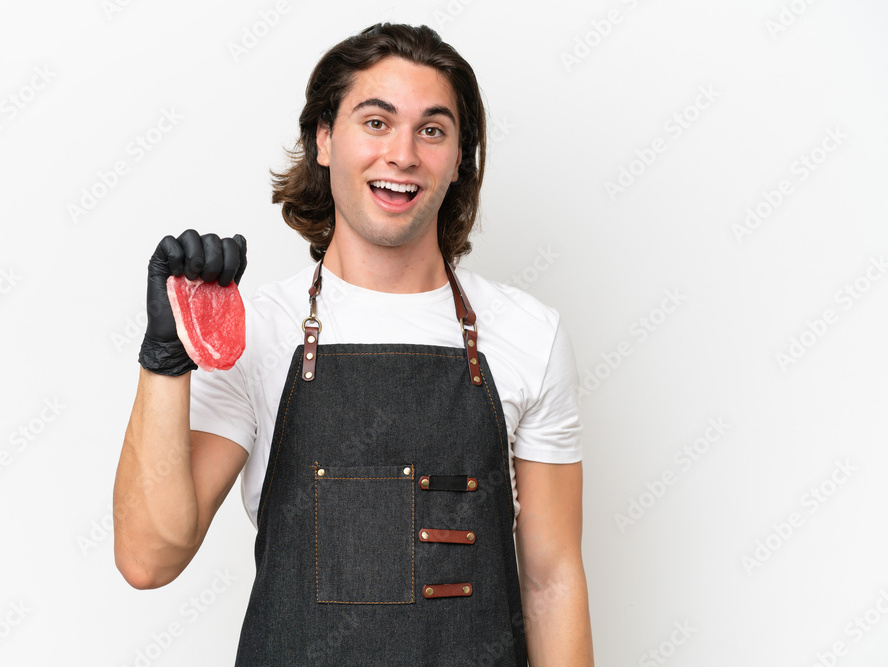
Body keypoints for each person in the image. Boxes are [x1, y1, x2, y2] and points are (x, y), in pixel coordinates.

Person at [114, 23, 594, 666]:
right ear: (323, 140)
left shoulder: (528, 334)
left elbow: (551, 579)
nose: (403, 154)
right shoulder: (258, 332)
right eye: (376, 121)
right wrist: (166, 363)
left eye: (432, 129)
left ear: (458, 160)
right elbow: (149, 558)